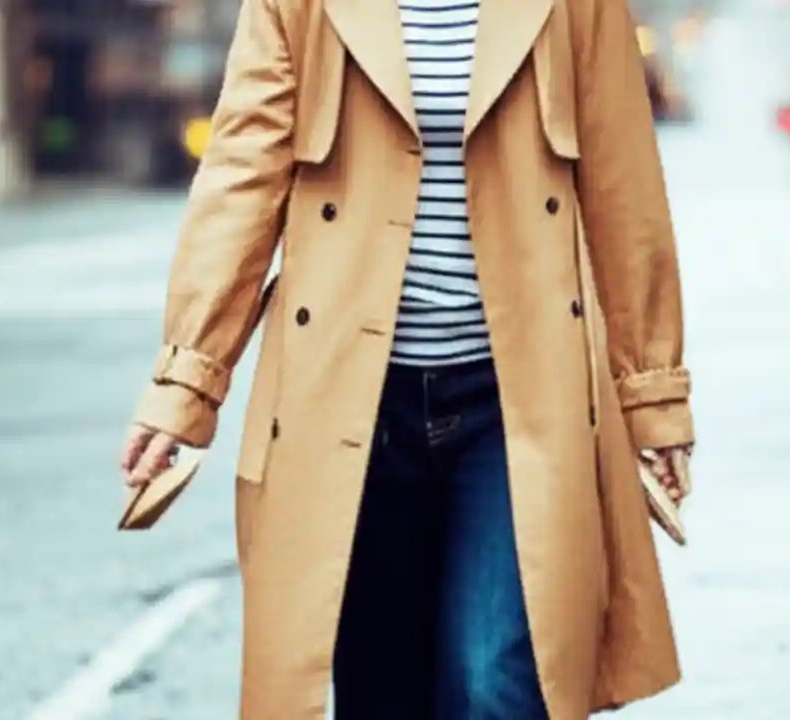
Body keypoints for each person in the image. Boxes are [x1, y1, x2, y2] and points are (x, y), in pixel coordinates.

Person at [118, 0, 695, 716]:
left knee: (501, 685)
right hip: (349, 402)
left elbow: (624, 186)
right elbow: (242, 179)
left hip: (518, 402)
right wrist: (186, 383)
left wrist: (653, 392)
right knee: (382, 689)